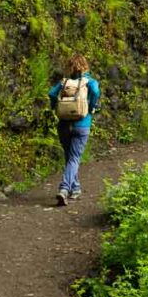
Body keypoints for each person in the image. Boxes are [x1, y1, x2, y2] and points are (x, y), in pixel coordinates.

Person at [48, 53, 101, 207]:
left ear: (70, 67)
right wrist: (91, 108)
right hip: (81, 124)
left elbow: (51, 94)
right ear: (85, 66)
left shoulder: (64, 82)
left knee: (70, 157)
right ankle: (65, 188)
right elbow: (96, 92)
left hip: (64, 125)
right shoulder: (89, 82)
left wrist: (55, 107)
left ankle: (75, 188)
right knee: (74, 158)